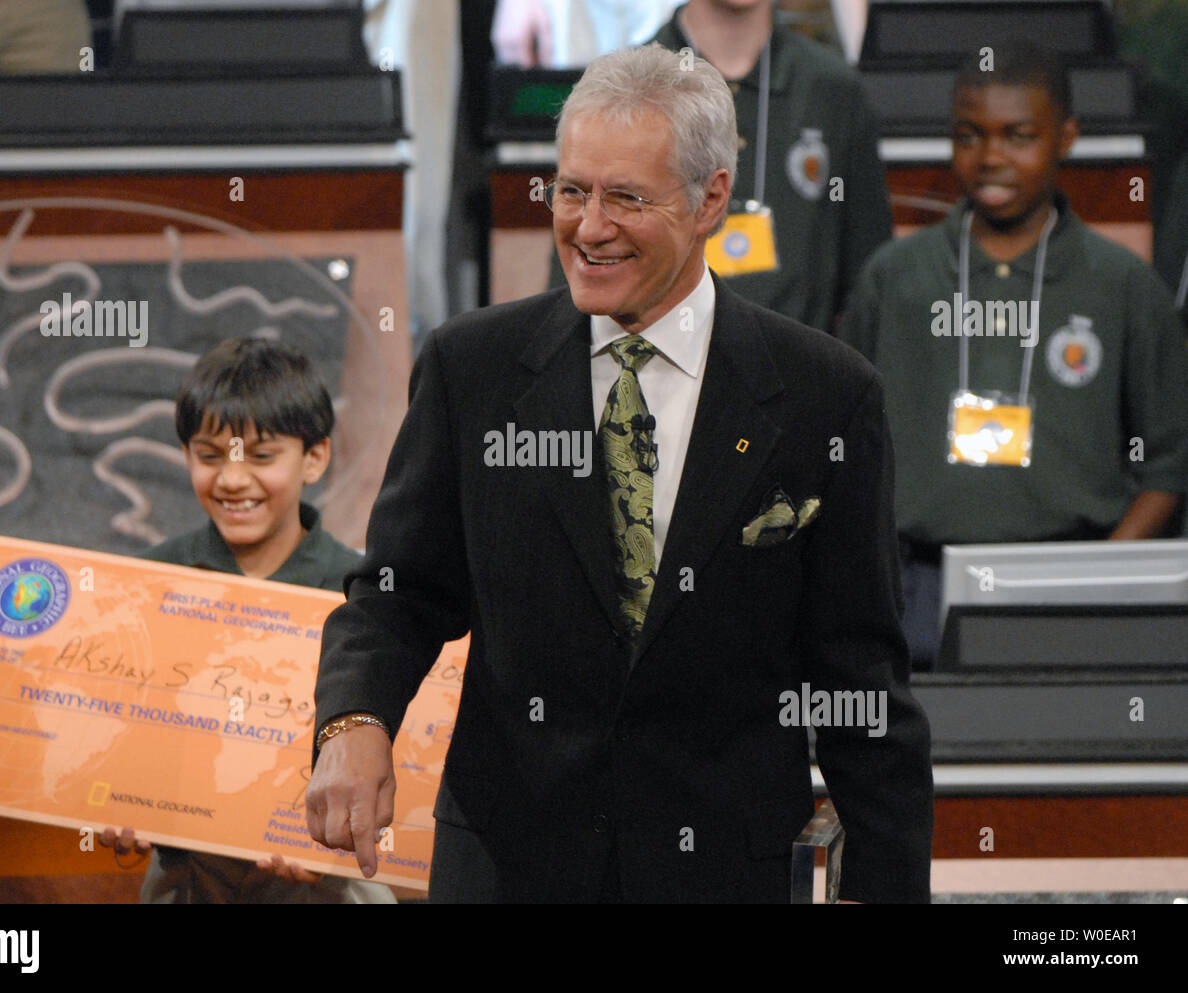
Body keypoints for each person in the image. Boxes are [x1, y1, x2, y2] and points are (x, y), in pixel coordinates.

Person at [306, 43, 932, 903]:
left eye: (626, 198)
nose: (589, 226)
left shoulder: (827, 397)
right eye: (572, 190)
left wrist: (885, 887)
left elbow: (861, 687)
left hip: (721, 874)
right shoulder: (473, 369)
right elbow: (396, 592)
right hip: (507, 866)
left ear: (712, 198)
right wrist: (355, 718)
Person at [839, 44, 1188, 667]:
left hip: (1071, 572)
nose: (992, 157)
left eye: (1019, 136)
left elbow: (1170, 459)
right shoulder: (896, 277)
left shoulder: (1122, 285)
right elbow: (841, 438)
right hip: (915, 581)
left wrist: (1107, 572)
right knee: (918, 755)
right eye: (969, 136)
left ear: (1067, 137)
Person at [101, 337, 395, 904]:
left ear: (314, 457)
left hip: (327, 874)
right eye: (210, 455)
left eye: (261, 457)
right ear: (185, 455)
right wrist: (120, 802)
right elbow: (119, 737)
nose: (233, 480)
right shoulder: (147, 584)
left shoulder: (362, 594)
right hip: (190, 874)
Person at [546, 0, 892, 334]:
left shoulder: (834, 91)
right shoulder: (623, 91)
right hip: (649, 368)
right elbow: (576, 269)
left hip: (798, 376)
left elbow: (868, 281)